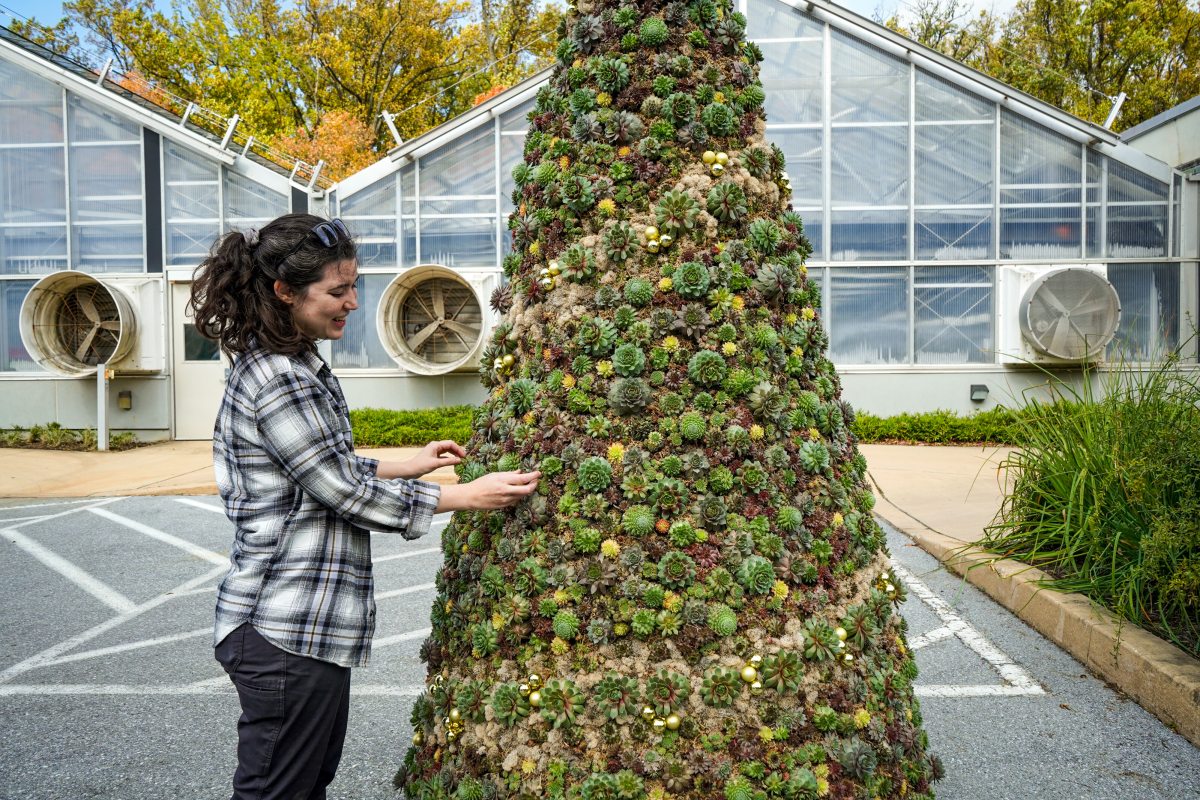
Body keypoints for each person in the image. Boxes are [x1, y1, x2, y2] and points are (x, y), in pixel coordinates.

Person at [188, 213, 539, 800]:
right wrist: (466, 496)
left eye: (354, 286)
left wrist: (409, 464)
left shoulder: (292, 363)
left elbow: (317, 465)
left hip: (302, 628)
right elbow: (343, 491)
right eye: (337, 291)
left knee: (305, 783)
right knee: (277, 791)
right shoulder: (279, 378)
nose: (352, 302)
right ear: (284, 291)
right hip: (282, 628)